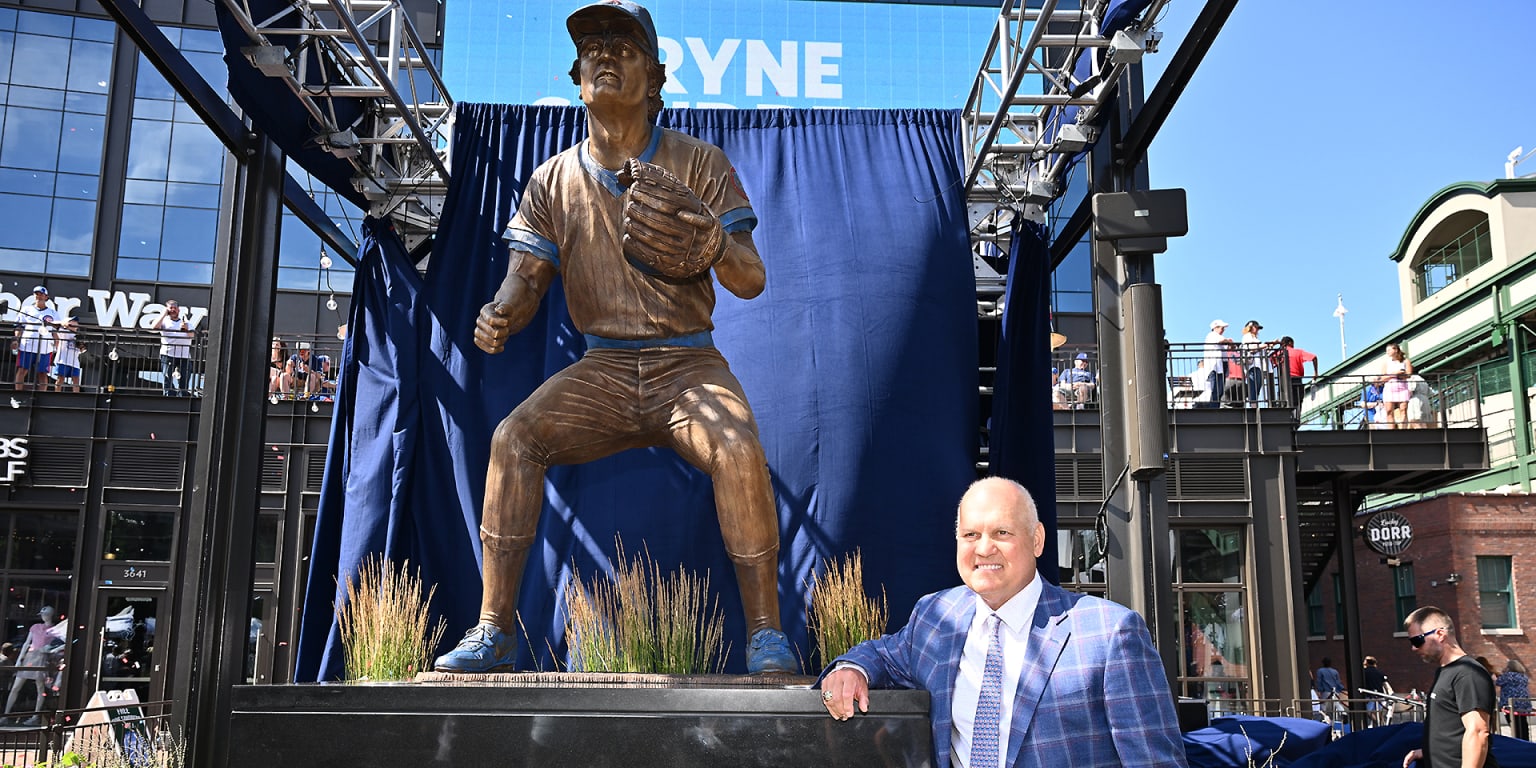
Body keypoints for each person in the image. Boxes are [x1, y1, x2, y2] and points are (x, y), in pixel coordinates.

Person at [433, 1, 794, 676]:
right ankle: (495, 629)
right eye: (593, 46)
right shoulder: (552, 179)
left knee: (739, 448)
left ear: (656, 78)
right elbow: (526, 276)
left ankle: (767, 634)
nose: (604, 53)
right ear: (576, 78)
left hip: (686, 365)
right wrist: (503, 310)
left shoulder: (701, 162)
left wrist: (715, 241)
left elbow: (751, 280)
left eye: (623, 46)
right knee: (514, 439)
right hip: (601, 370)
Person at [817, 478, 1186, 767]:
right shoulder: (936, 617)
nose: (983, 548)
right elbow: (884, 653)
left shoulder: (1110, 634)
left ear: (1038, 539)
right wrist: (852, 668)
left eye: (1002, 533)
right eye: (970, 535)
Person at [1401, 606, 1499, 768]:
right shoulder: (1445, 671)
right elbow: (1451, 729)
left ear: (1440, 634)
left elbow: (1478, 732)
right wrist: (1427, 751)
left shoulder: (1467, 673)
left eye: (1417, 640)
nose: (1414, 648)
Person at [5, 606, 60, 725]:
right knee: (16, 687)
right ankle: (6, 714)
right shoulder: (35, 627)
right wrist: (19, 660)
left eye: (46, 614)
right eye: (42, 614)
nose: (43, 616)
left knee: (40, 688)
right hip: (30, 658)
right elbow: (26, 643)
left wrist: (49, 650)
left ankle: (35, 716)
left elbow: (58, 645)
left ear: (51, 615)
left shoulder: (54, 630)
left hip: (41, 658)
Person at [12, 286, 60, 392]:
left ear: (46, 297)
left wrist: (57, 345)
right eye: (37, 294)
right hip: (27, 345)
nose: (39, 296)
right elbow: (19, 326)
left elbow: (56, 331)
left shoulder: (53, 313)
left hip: (45, 348)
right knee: (22, 370)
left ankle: (41, 395)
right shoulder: (26, 309)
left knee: (43, 373)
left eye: (41, 294)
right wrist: (16, 339)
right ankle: (18, 393)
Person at [151, 300, 194, 397]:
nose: (173, 310)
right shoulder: (164, 321)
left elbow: (192, 336)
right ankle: (168, 395)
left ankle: (183, 395)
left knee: (185, 378)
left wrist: (186, 328)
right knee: (167, 378)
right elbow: (153, 328)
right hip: (168, 354)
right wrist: (163, 314)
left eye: (175, 308)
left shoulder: (187, 322)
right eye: (170, 308)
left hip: (184, 356)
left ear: (179, 310)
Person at [1378, 342, 1413, 429]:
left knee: (1403, 409)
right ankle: (1391, 430)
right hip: (1390, 388)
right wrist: (1395, 373)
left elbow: (1408, 375)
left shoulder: (1405, 361)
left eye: (1389, 350)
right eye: (1387, 351)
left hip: (1402, 387)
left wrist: (1400, 374)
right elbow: (1382, 379)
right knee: (1389, 411)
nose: (1387, 352)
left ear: (1396, 350)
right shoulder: (1385, 363)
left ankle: (1404, 429)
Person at [1278, 336, 1319, 410]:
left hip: (1283, 381)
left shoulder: (1279, 353)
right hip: (1296, 380)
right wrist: (1315, 373)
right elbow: (1314, 357)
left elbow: (1271, 361)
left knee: (1283, 401)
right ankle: (1296, 418)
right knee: (1297, 402)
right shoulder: (1298, 352)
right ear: (1290, 343)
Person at [1240, 320, 1274, 405]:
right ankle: (1253, 404)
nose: (1257, 330)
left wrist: (1269, 346)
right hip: (1253, 365)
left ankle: (1254, 403)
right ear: (1250, 327)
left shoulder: (1255, 338)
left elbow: (1259, 350)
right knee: (1254, 386)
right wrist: (1263, 346)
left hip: (1259, 364)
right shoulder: (1247, 336)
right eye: (1256, 327)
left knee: (1257, 385)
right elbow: (1251, 348)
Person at [1496, 659, 1530, 742]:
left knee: (1513, 723)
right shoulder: (1524, 676)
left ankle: (1518, 740)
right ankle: (1526, 740)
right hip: (1523, 703)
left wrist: (1500, 674)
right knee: (1522, 723)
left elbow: (1497, 682)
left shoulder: (1508, 676)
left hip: (1510, 704)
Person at [1202, 319, 1233, 408]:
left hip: (1221, 366)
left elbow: (1229, 346)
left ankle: (1216, 407)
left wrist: (1230, 343)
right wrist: (1229, 341)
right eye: (1221, 328)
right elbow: (1222, 341)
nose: (1223, 330)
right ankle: (1213, 408)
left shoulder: (1219, 336)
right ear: (1215, 327)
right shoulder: (1212, 335)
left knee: (1220, 390)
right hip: (1214, 366)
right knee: (1215, 389)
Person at [50, 318, 84, 393]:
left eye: (76, 325)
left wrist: (81, 347)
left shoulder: (79, 336)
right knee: (60, 379)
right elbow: (53, 323)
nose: (74, 326)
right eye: (72, 324)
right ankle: (57, 395)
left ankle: (76, 397)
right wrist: (63, 323)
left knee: (76, 380)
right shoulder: (64, 332)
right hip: (63, 360)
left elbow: (81, 350)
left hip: (74, 362)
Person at [1363, 655, 1391, 726]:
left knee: (1367, 712)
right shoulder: (1380, 672)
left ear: (1366, 663)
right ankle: (1381, 726)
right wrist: (1387, 695)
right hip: (1380, 695)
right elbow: (1385, 684)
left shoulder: (1364, 672)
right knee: (1379, 713)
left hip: (1369, 695)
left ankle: (1377, 723)